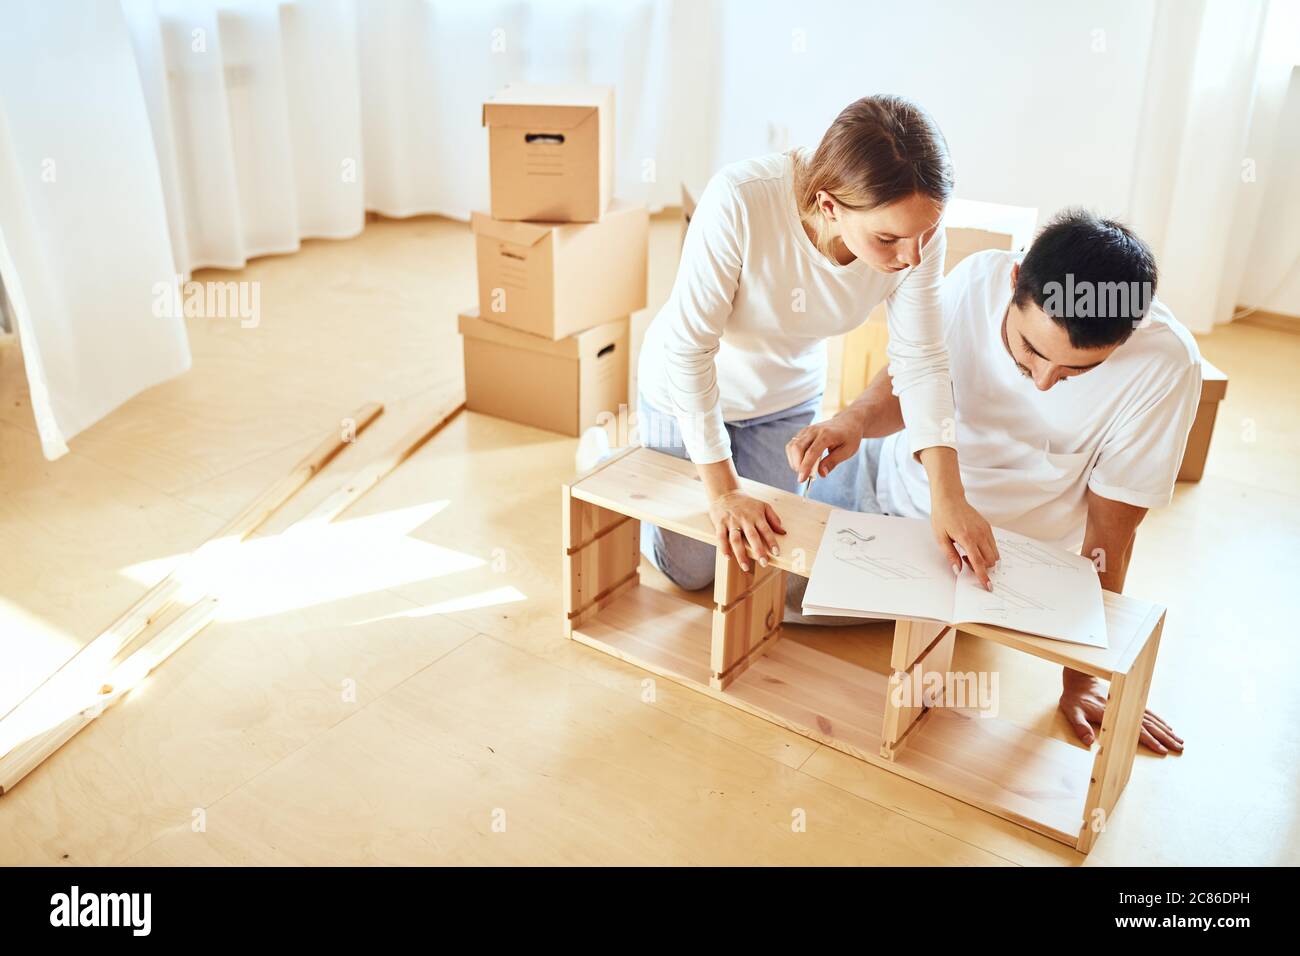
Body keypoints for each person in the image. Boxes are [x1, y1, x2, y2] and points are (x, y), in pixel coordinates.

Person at [787, 208, 1199, 754]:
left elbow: (1110, 536)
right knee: (750, 575)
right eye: (1031, 350)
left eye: (1077, 370)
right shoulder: (977, 279)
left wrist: (1084, 679)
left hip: (1000, 569)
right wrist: (854, 420)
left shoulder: (1166, 366)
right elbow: (910, 381)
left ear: (1128, 335)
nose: (1047, 382)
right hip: (886, 495)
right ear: (1014, 282)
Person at [635, 94, 1000, 595]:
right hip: (684, 393)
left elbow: (921, 360)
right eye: (889, 239)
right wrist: (723, 493)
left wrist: (948, 495)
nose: (912, 256)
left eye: (926, 234)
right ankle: (615, 463)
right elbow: (689, 350)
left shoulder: (915, 233)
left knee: (762, 566)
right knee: (693, 571)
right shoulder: (740, 199)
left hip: (781, 401)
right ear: (829, 204)